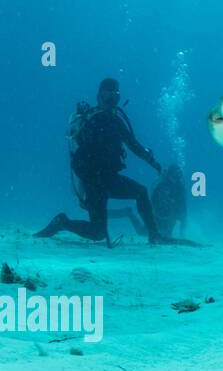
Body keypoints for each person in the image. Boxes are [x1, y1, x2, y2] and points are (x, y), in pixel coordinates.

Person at [34, 77, 164, 245]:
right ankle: (63, 222)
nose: (111, 99)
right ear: (99, 96)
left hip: (110, 178)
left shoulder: (116, 121)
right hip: (93, 182)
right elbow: (75, 139)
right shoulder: (89, 119)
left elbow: (134, 145)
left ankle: (154, 235)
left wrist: (152, 162)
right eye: (107, 94)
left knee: (141, 192)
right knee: (98, 233)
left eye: (115, 95)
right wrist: (84, 118)